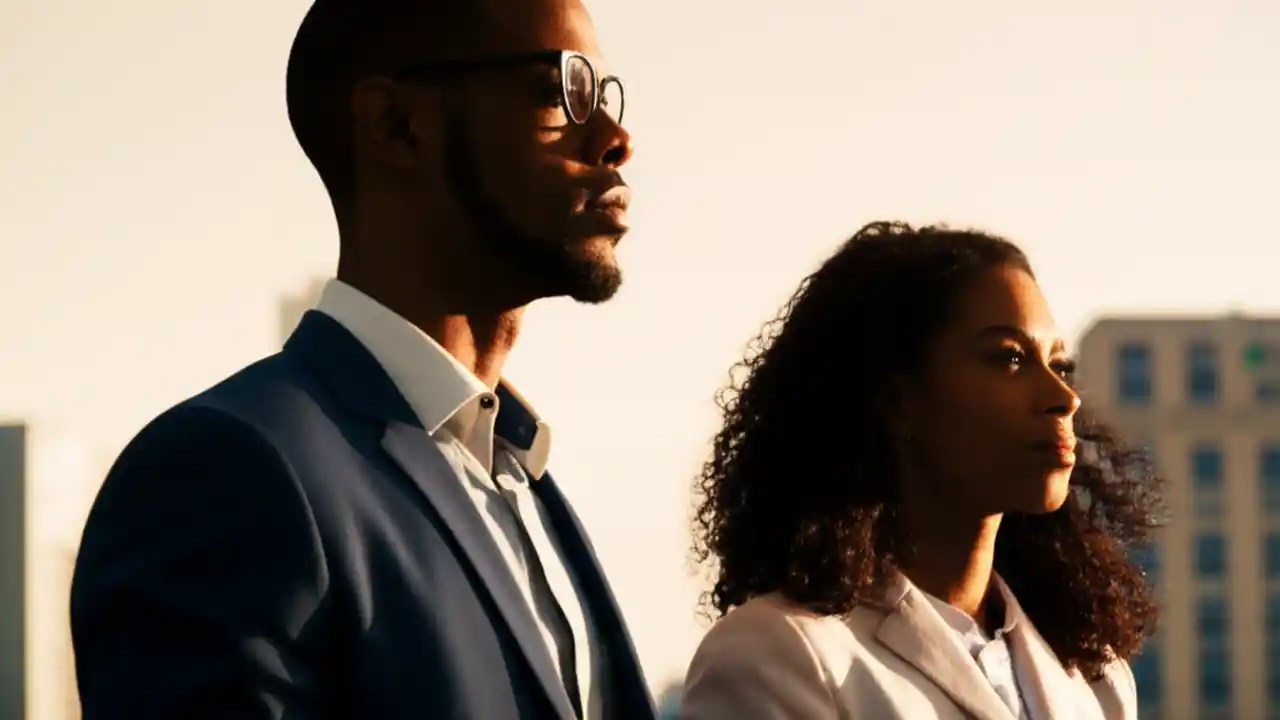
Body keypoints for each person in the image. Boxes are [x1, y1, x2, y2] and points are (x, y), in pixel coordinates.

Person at [70, 0, 653, 718]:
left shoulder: (523, 479)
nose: (615, 138)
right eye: (560, 89)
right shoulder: (228, 472)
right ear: (395, 125)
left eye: (605, 93)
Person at [680, 221, 1162, 720]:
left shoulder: (1095, 678)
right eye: (1010, 358)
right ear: (899, 400)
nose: (1063, 398)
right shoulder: (777, 653)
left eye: (1059, 366)